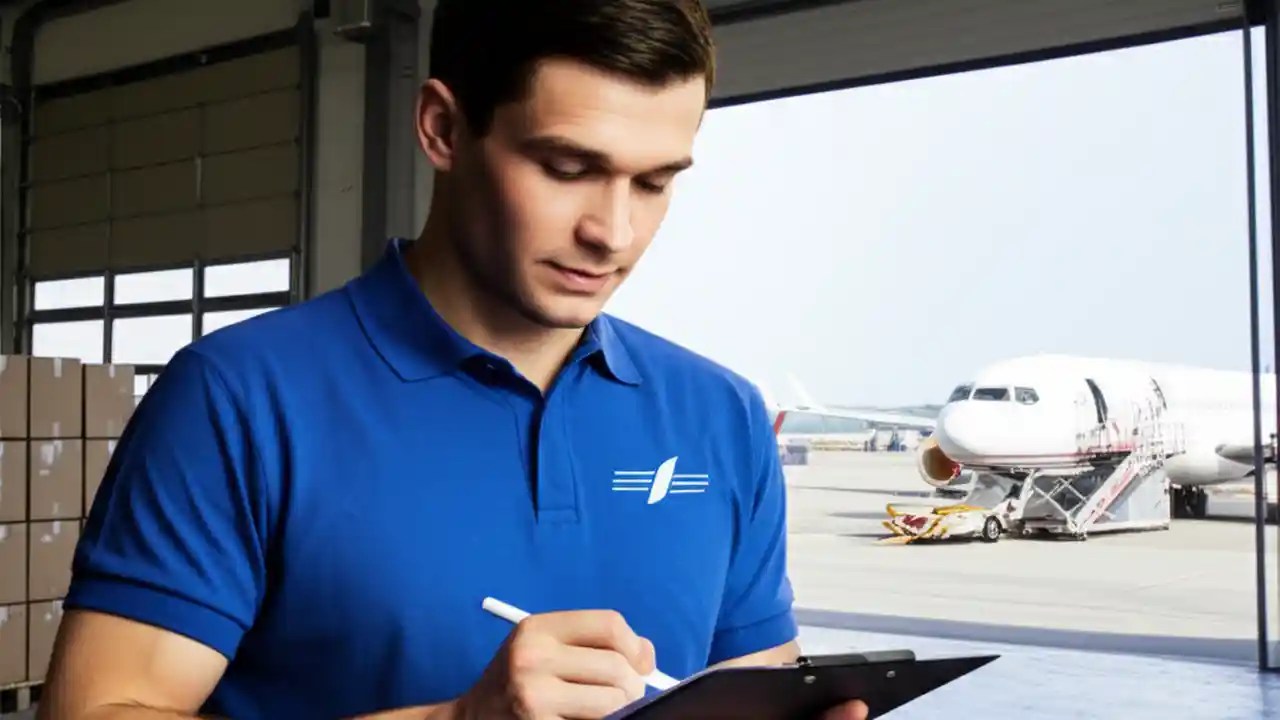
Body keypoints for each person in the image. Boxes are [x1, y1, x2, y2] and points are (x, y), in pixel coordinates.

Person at [38, 2, 869, 718]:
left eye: (653, 183)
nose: (612, 232)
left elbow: (751, 688)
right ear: (442, 129)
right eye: (566, 168)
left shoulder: (722, 415)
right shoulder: (238, 398)